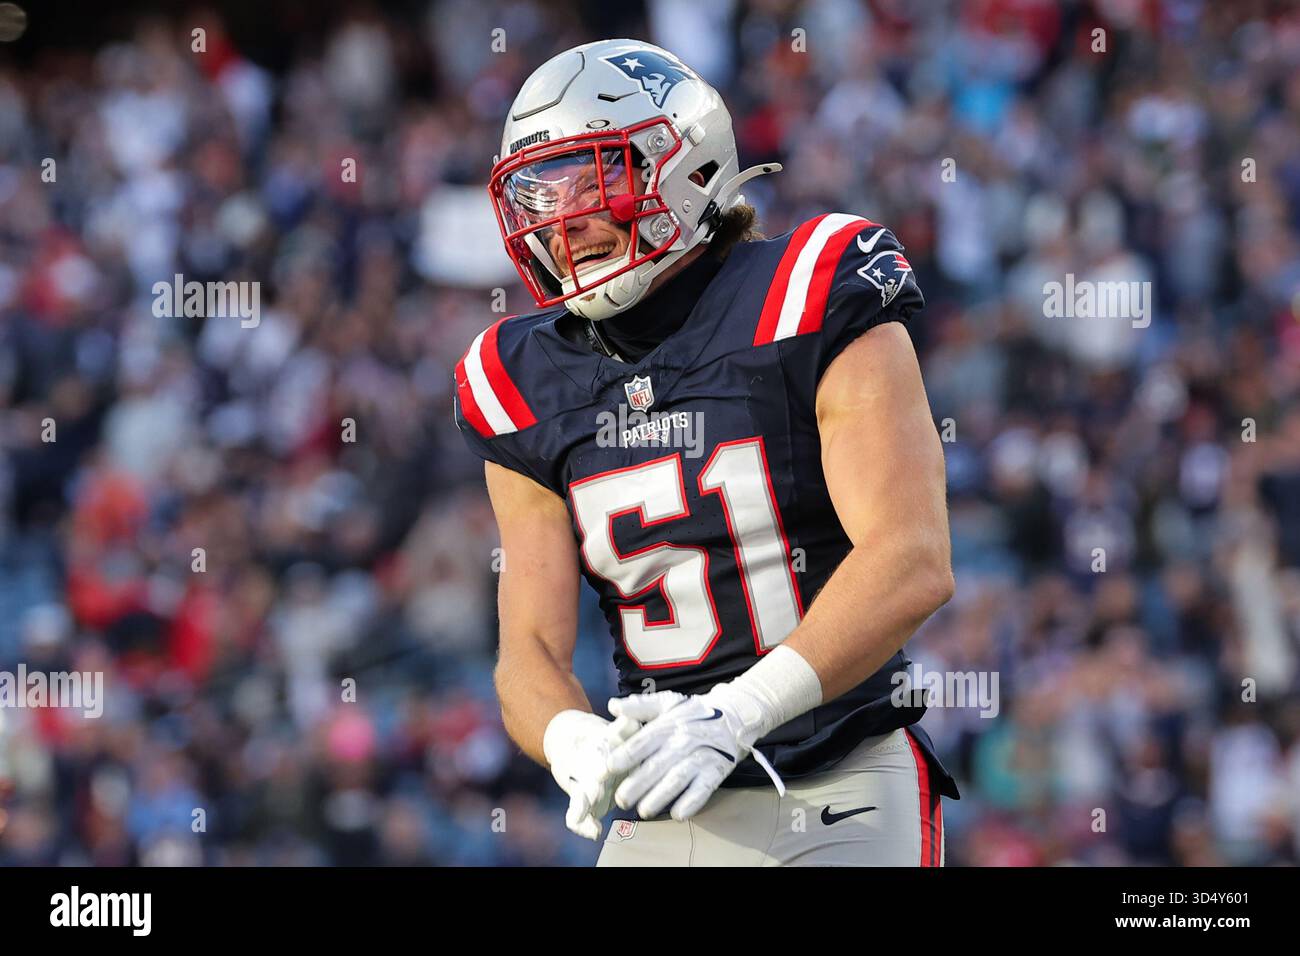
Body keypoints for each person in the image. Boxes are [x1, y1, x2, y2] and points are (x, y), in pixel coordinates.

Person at [453, 38, 959, 866]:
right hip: (664, 792)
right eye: (539, 193)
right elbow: (530, 653)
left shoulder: (810, 289)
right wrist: (575, 740)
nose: (561, 220)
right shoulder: (519, 377)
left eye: (588, 180)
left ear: (682, 164)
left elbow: (912, 558)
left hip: (840, 776)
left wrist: (740, 712)